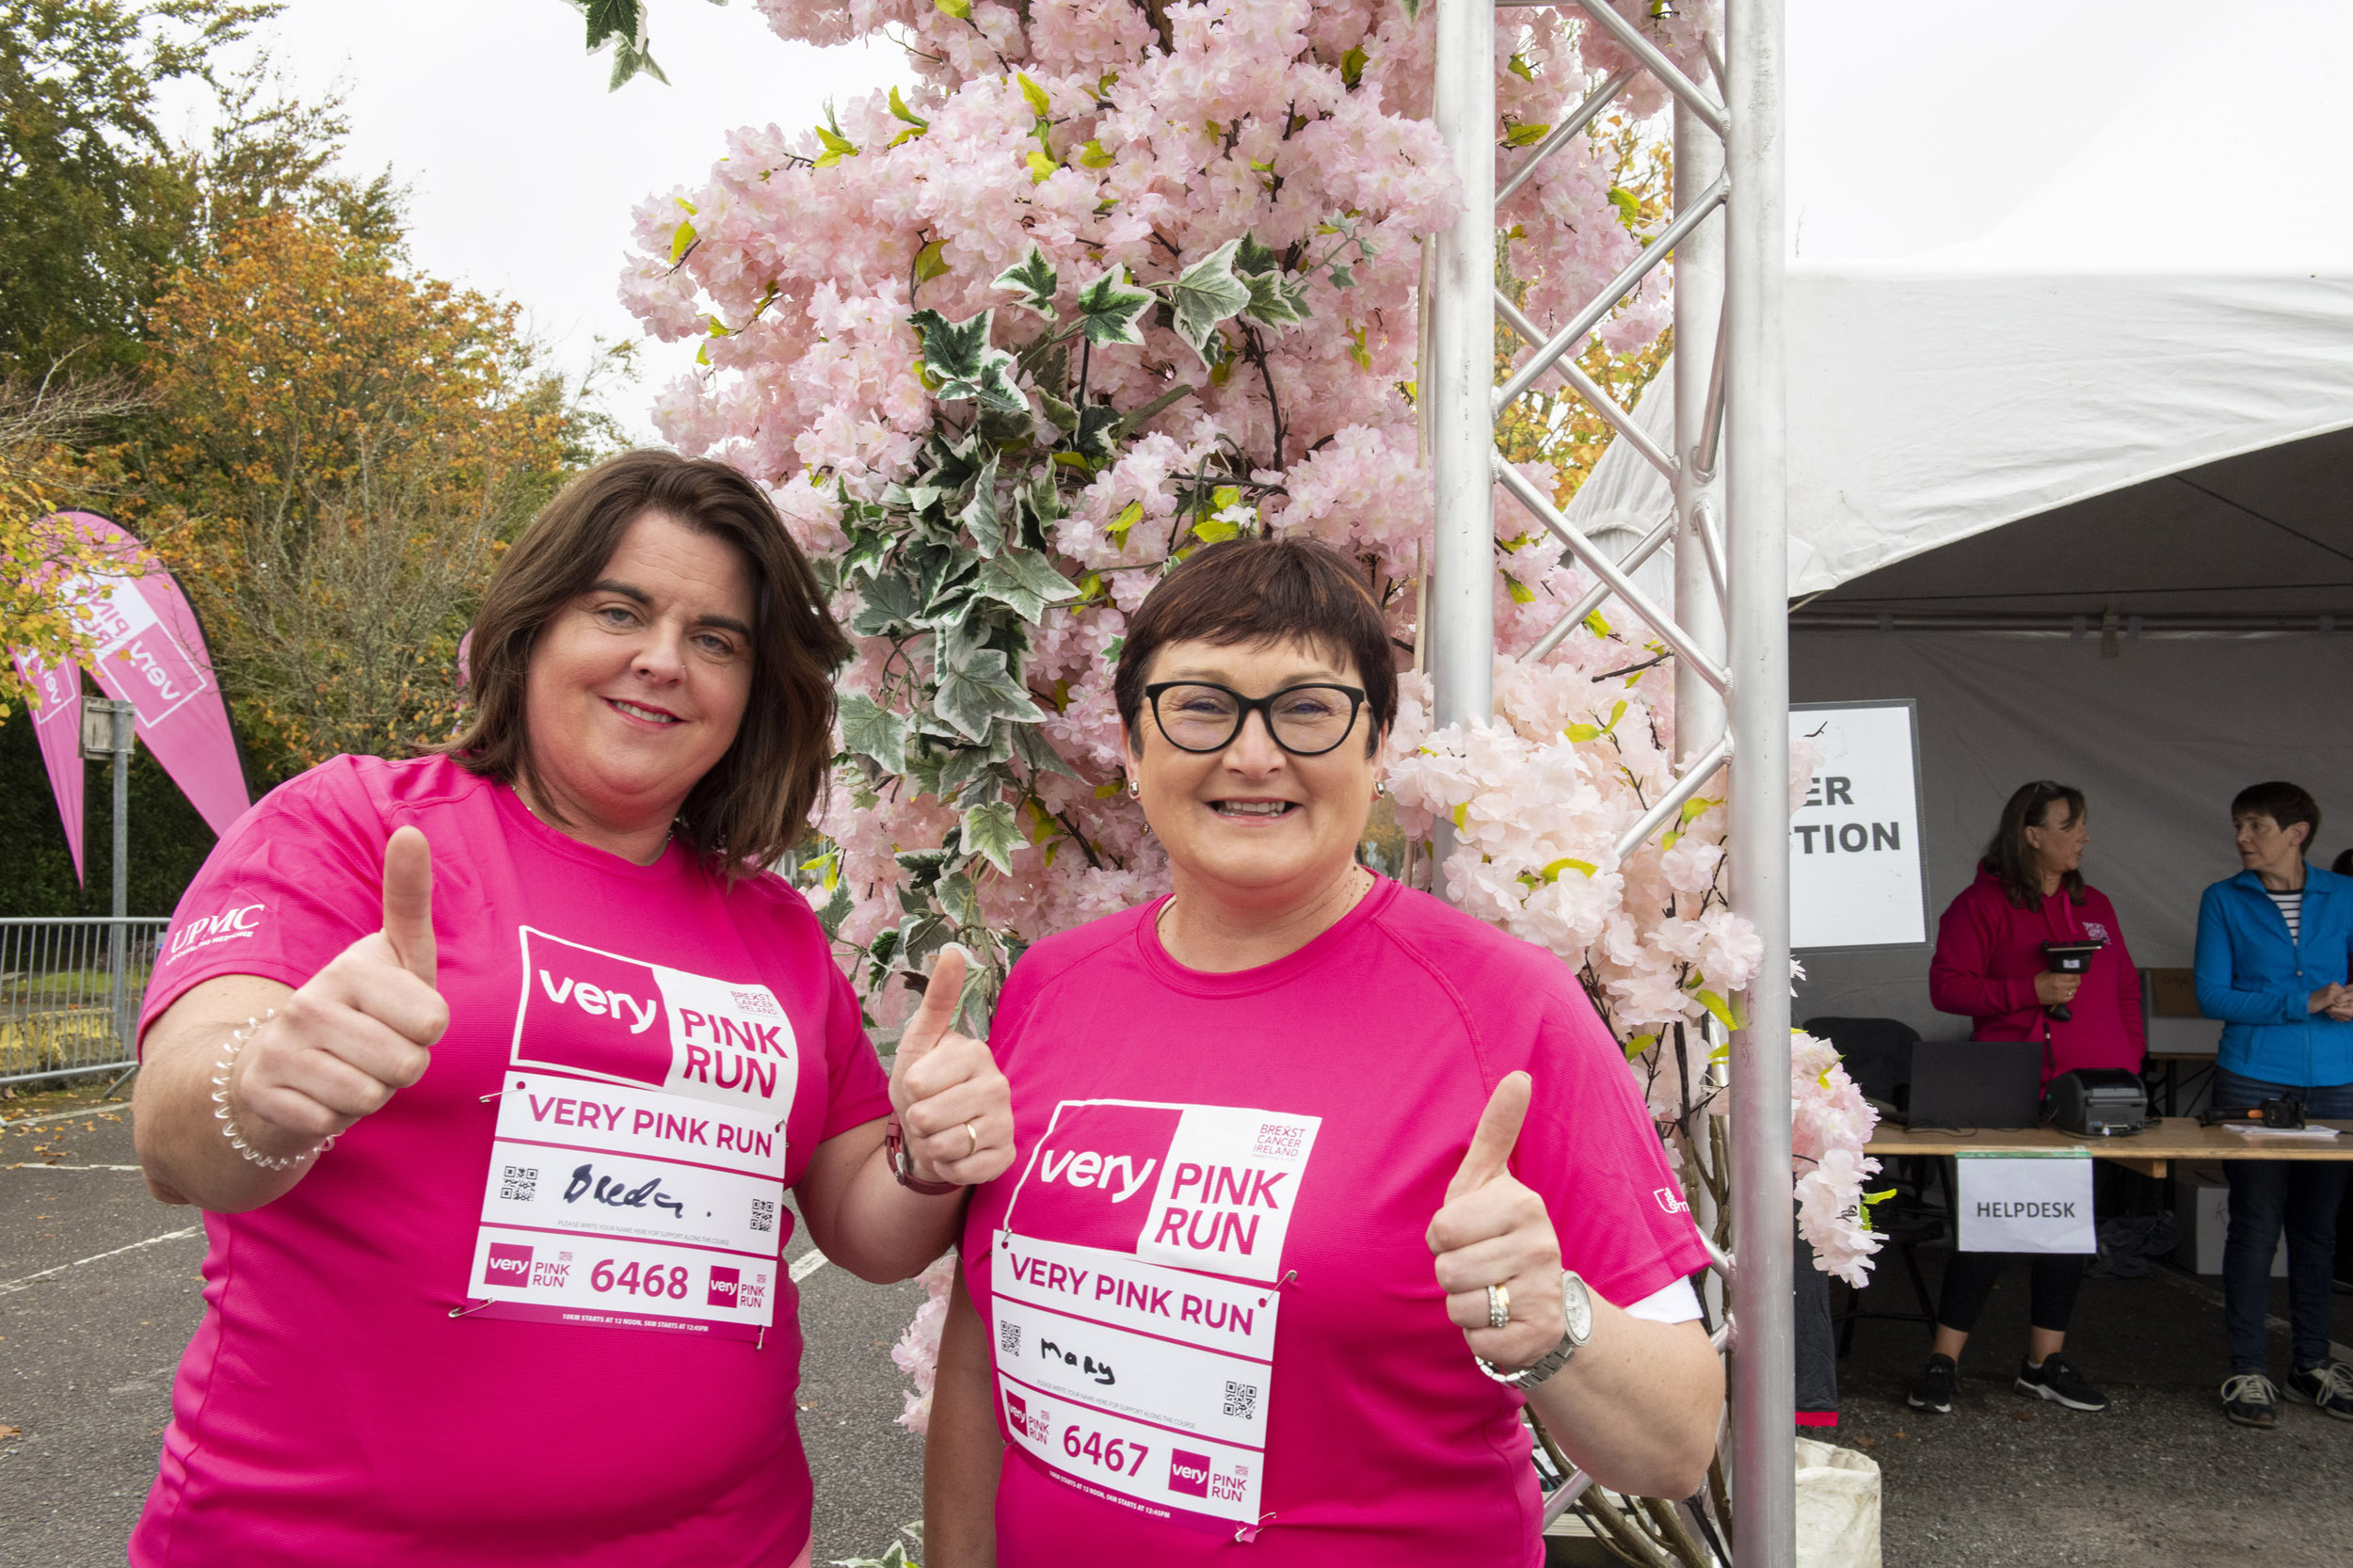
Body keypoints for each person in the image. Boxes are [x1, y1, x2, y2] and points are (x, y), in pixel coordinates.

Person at [127, 451, 1014, 1566]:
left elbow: (858, 1226)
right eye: (619, 609)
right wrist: (259, 1090)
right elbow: (177, 1133)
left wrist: (926, 1158)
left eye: (715, 639)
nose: (661, 662)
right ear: (532, 627)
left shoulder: (775, 928)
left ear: (752, 693)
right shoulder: (353, 824)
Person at [920, 537, 1723, 1567]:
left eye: (1306, 709)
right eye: (1201, 706)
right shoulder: (1049, 988)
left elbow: (1676, 1442)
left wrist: (1551, 1321)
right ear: (1131, 746)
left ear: (1375, 748)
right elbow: (983, 1343)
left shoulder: (1506, 1008)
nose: (1253, 756)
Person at [1911, 780, 2143, 1417]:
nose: (2084, 837)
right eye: (2070, 825)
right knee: (1991, 1226)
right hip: (2011, 1085)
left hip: (2093, 1090)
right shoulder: (1979, 905)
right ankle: (1944, 1360)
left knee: (2068, 1230)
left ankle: (2043, 1362)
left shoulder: (2096, 904)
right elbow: (1947, 988)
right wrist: (2028, 989)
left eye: (2082, 824)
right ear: (2032, 835)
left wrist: (2130, 1060)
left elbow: (2124, 987)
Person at [2195, 780, 2353, 1428]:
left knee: (2319, 1230)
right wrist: (2307, 1001)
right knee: (2257, 1225)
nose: (2242, 838)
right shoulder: (2222, 900)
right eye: (2238, 825)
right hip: (2254, 1079)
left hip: (2339, 1080)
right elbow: (2213, 996)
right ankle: (2248, 1368)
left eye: (2256, 826)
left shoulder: (2344, 895)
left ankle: (2312, 1361)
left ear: (2298, 832)